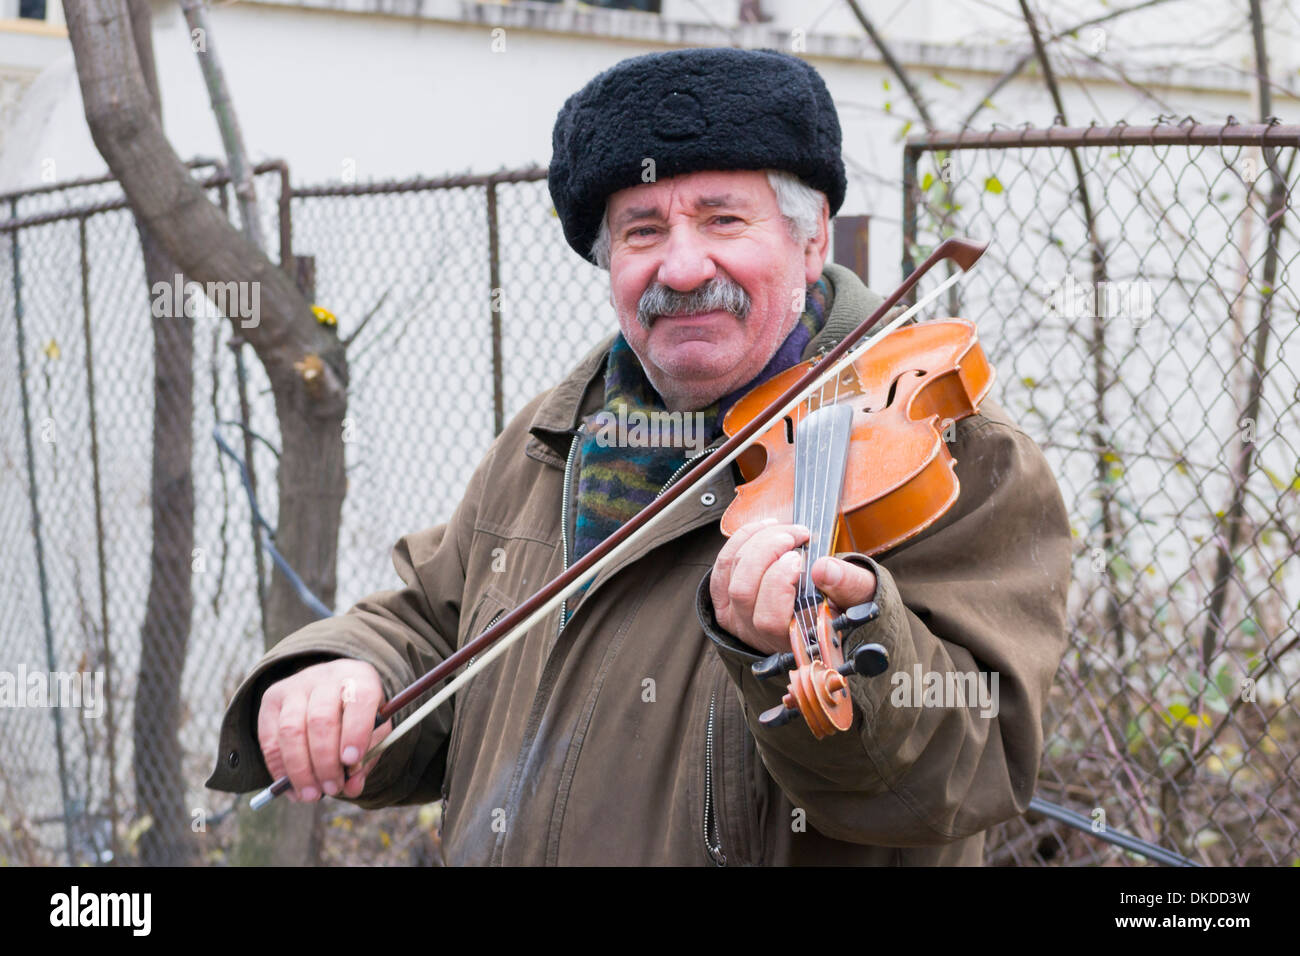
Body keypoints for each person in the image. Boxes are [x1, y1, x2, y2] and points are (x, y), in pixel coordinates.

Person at [207, 47, 1071, 865]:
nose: (684, 267)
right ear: (607, 260)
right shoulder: (555, 440)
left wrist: (849, 644)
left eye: (723, 219)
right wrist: (340, 670)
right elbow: (434, 623)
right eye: (643, 231)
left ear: (812, 242)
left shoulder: (942, 450)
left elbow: (973, 764)